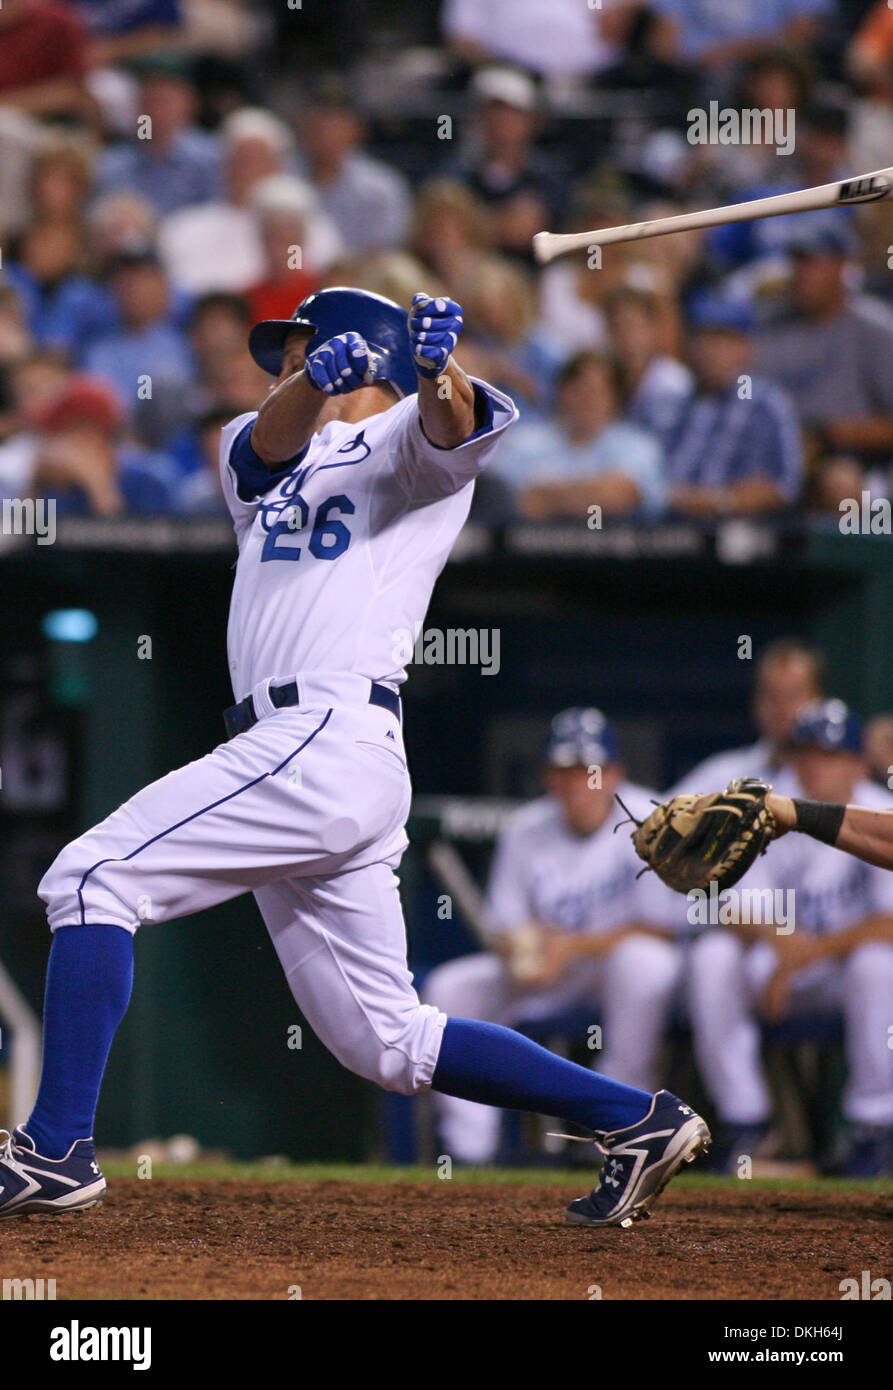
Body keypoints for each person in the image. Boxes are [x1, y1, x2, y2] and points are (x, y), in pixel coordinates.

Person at [0, 286, 709, 1229]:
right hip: (307, 751)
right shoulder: (257, 450)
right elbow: (265, 445)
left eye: (295, 347)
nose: (279, 365)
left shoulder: (410, 445)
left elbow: (453, 425)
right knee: (386, 1041)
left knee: (90, 878)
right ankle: (637, 1118)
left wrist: (432, 369)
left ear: (353, 350)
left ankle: (54, 1148)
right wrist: (310, 383)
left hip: (323, 736)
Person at [422, 709, 683, 1165]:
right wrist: (523, 952)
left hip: (615, 967)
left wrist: (575, 945)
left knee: (645, 962)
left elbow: (665, 925)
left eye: (588, 772)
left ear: (615, 773)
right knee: (451, 987)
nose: (576, 784)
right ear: (548, 777)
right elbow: (505, 925)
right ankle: (468, 1152)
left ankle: (621, 1125)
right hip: (549, 971)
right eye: (564, 772)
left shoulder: (651, 818)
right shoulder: (527, 827)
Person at [690, 701, 893, 1177]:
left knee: (877, 963)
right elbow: (732, 903)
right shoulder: (774, 811)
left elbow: (889, 923)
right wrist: (780, 943)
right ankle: (745, 1121)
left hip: (842, 968)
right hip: (783, 966)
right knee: (713, 957)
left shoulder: (876, 813)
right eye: (805, 753)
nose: (815, 764)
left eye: (829, 753)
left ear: (856, 760)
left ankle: (874, 1126)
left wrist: (802, 956)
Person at [664, 293, 803, 518]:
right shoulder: (670, 402)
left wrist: (717, 502)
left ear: (746, 347)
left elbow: (784, 487)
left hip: (737, 532)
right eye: (704, 338)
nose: (712, 350)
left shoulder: (766, 404)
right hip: (664, 530)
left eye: (724, 340)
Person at [492, 350, 665, 520]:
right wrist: (590, 494)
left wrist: (548, 497)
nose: (587, 400)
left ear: (615, 400)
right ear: (561, 393)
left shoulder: (638, 445)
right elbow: (515, 502)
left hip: (620, 545)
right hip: (533, 545)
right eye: (578, 390)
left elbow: (619, 497)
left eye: (597, 392)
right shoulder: (523, 442)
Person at [671, 638, 825, 794]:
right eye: (771, 695)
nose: (782, 707)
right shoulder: (724, 774)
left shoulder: (840, 778)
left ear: (818, 698)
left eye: (793, 695)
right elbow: (661, 810)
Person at [98, 60, 221, 217]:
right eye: (149, 101)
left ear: (186, 104)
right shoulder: (113, 163)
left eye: (164, 102)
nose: (156, 111)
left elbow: (215, 214)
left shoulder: (210, 157)